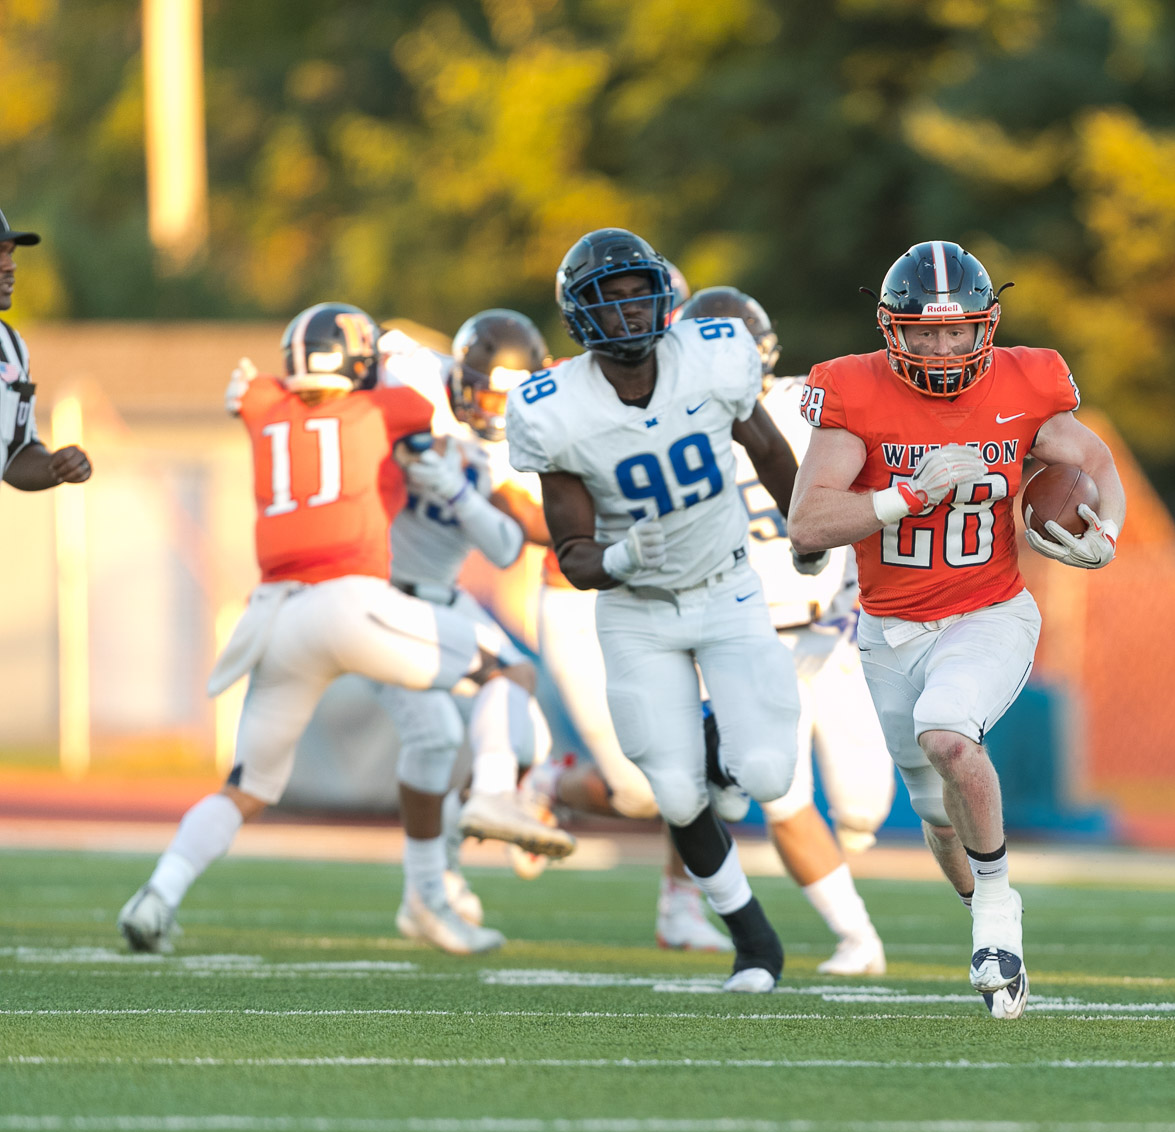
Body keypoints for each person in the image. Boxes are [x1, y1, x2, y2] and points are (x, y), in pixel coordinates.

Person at [788, 241, 1127, 1019]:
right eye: (924, 333)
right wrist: (902, 498)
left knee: (948, 735)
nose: (942, 349)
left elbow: (1094, 460)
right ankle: (982, 903)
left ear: (988, 327)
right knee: (936, 815)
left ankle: (1000, 913)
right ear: (890, 329)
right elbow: (807, 520)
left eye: (958, 332)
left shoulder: (1028, 379)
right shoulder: (850, 389)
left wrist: (1105, 533)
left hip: (989, 610)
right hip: (890, 628)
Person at [118, 304, 508, 956]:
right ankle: (502, 803)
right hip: (354, 602)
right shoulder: (380, 408)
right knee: (508, 670)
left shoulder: (263, 403)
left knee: (248, 788)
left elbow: (250, 390)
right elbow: (430, 406)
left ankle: (158, 893)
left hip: (275, 612)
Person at [505, 228, 808, 992]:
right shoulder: (556, 408)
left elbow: (771, 453)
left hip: (729, 588)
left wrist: (808, 534)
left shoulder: (711, 356)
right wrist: (619, 559)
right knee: (669, 792)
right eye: (609, 298)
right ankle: (753, 940)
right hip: (637, 611)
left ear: (662, 294)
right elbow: (573, 555)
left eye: (638, 291)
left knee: (766, 775)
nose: (628, 310)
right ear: (580, 315)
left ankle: (714, 737)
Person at [676, 285, 891, 976]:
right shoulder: (671, 426)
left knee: (863, 810)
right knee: (786, 795)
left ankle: (832, 847)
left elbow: (873, 501)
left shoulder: (813, 405)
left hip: (838, 632)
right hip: (750, 643)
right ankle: (858, 939)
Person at [372, 311, 578, 928]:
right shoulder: (416, 378)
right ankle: (447, 862)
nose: (494, 409)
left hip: (440, 592)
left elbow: (512, 540)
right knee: (486, 696)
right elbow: (381, 342)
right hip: (375, 589)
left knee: (527, 738)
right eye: (486, 392)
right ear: (462, 377)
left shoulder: (517, 448)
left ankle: (446, 867)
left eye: (509, 397)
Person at [0, 209, 91, 491]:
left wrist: (56, 466)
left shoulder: (10, 346)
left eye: (10, 253)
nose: (10, 266)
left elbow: (14, 453)